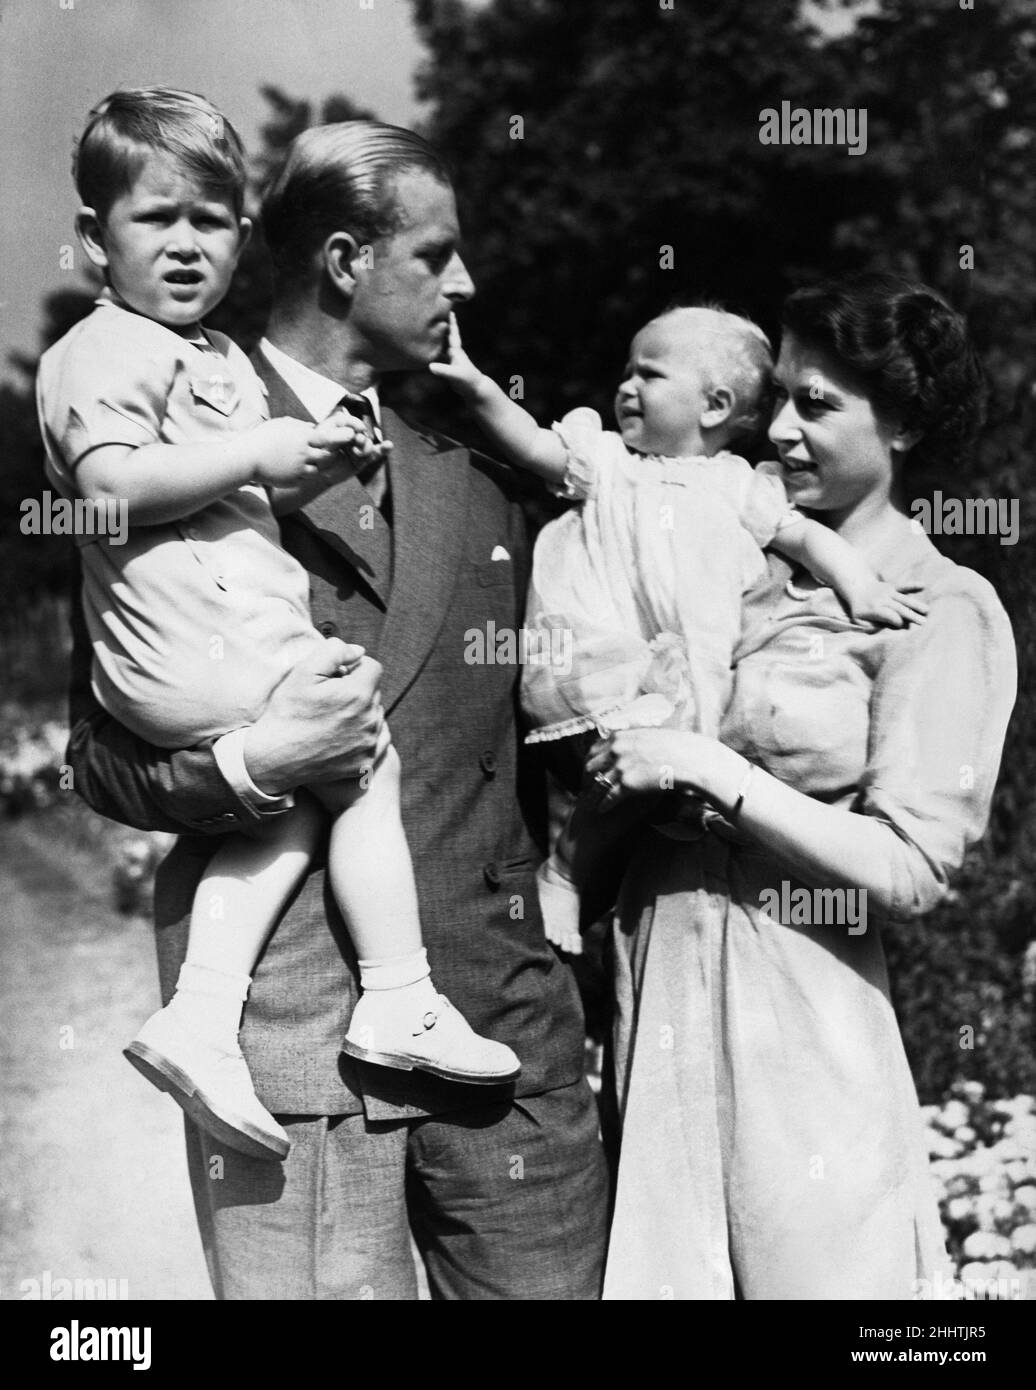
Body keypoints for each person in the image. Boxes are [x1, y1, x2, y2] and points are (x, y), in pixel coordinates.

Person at [64, 118, 608, 1299]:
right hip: (290, 1044)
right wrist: (256, 764)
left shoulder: (475, 461)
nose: (465, 284)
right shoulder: (175, 424)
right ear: (347, 260)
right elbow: (98, 752)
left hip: (504, 1032)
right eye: (437, 254)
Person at [582, 273, 1016, 1299]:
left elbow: (911, 867)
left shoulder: (940, 606)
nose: (777, 431)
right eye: (775, 397)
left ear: (902, 424)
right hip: (659, 1010)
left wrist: (710, 768)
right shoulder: (725, 568)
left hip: (802, 1031)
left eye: (816, 405)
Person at [431, 306, 926, 951]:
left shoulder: (742, 487)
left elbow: (804, 540)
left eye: (649, 375)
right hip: (602, 658)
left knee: (649, 776)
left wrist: (859, 583)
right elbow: (529, 442)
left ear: (715, 405)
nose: (625, 388)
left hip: (683, 674)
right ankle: (565, 872)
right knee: (617, 770)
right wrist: (475, 385)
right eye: (627, 373)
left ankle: (595, 878)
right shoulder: (605, 461)